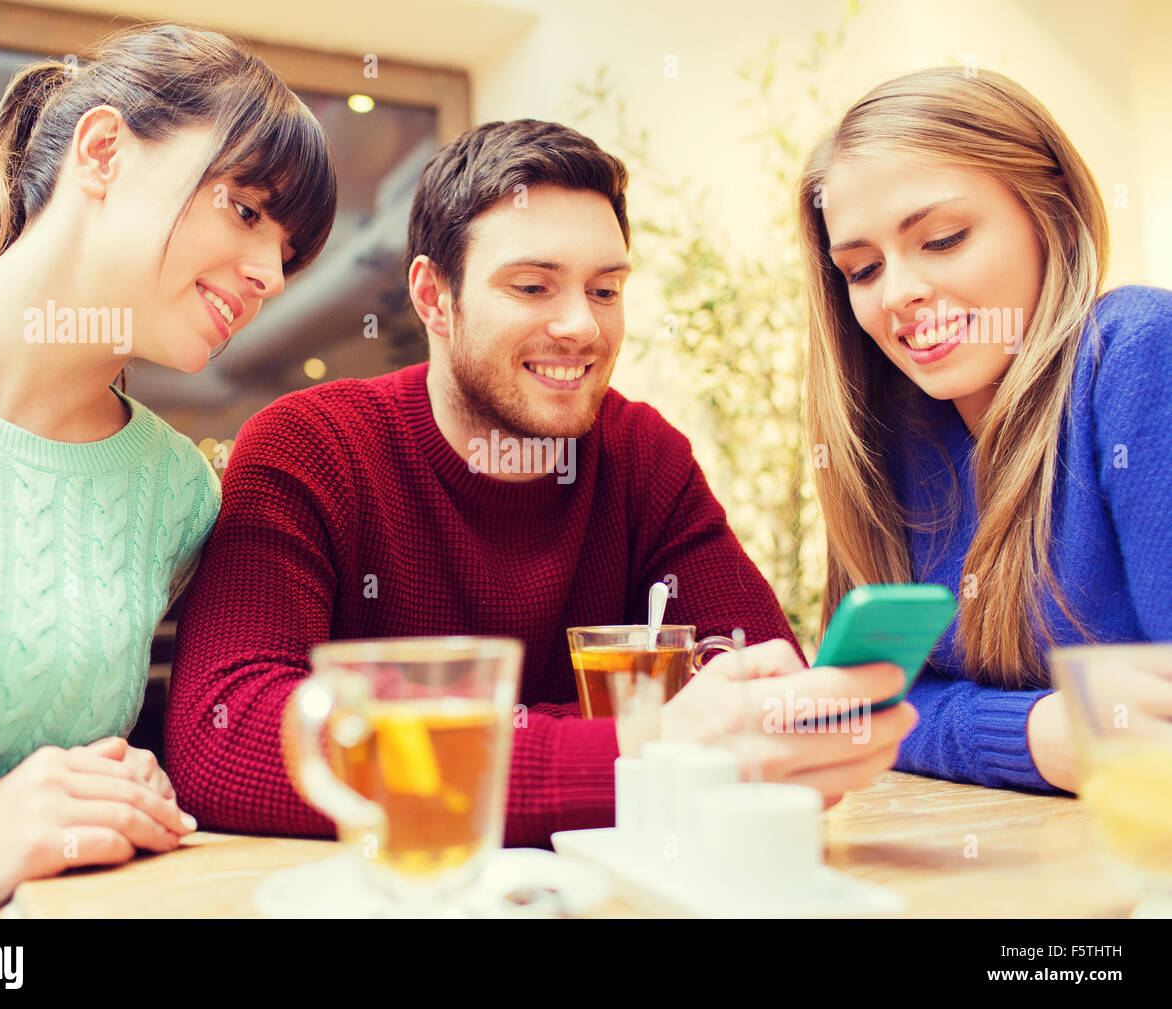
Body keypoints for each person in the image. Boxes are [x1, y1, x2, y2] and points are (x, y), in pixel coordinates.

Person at [165, 118, 915, 847]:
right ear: (433, 297)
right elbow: (230, 732)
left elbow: (755, 685)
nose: (582, 328)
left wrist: (718, 728)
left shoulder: (642, 456)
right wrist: (636, 749)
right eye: (532, 286)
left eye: (605, 290)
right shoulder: (311, 448)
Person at [0, 23, 337, 915]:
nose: (274, 275)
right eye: (246, 208)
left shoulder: (173, 491)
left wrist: (114, 791)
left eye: (289, 250)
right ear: (103, 149)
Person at [798, 67, 1172, 796]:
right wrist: (1035, 734)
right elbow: (853, 705)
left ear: (1051, 211)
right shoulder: (892, 435)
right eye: (864, 268)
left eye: (942, 239)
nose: (898, 293)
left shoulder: (1136, 352)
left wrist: (972, 724)